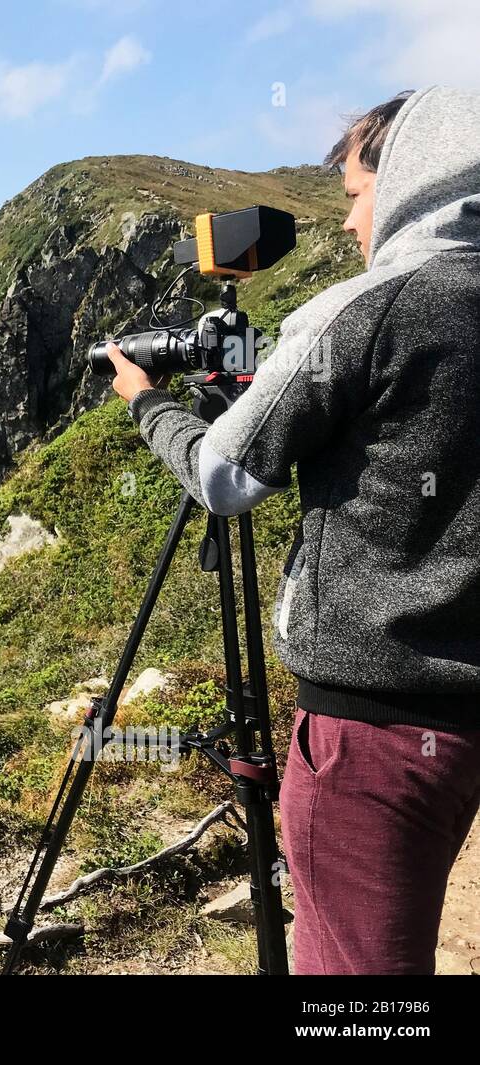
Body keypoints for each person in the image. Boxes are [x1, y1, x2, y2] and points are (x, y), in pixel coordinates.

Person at [106, 86, 480, 975]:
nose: (351, 223)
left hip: (368, 730)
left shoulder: (372, 307)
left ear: (416, 178)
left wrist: (145, 401)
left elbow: (225, 477)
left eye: (355, 194)